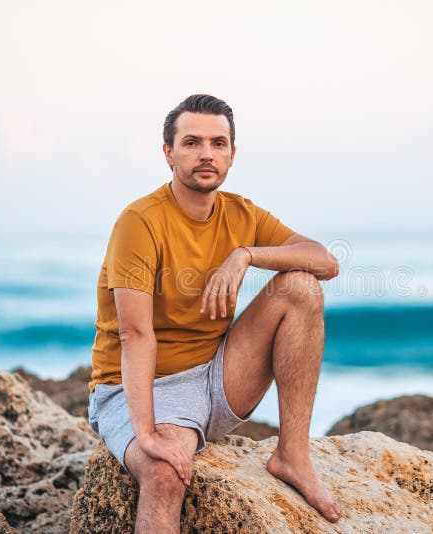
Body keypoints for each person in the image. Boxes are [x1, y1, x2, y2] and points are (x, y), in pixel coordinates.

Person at [87, 94, 342, 532]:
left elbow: (324, 260)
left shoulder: (242, 214)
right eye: (191, 142)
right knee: (166, 474)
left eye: (218, 143)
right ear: (168, 153)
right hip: (141, 386)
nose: (206, 154)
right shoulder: (140, 221)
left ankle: (292, 456)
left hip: (217, 376)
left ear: (232, 155)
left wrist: (245, 255)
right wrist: (146, 434)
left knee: (301, 286)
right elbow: (134, 334)